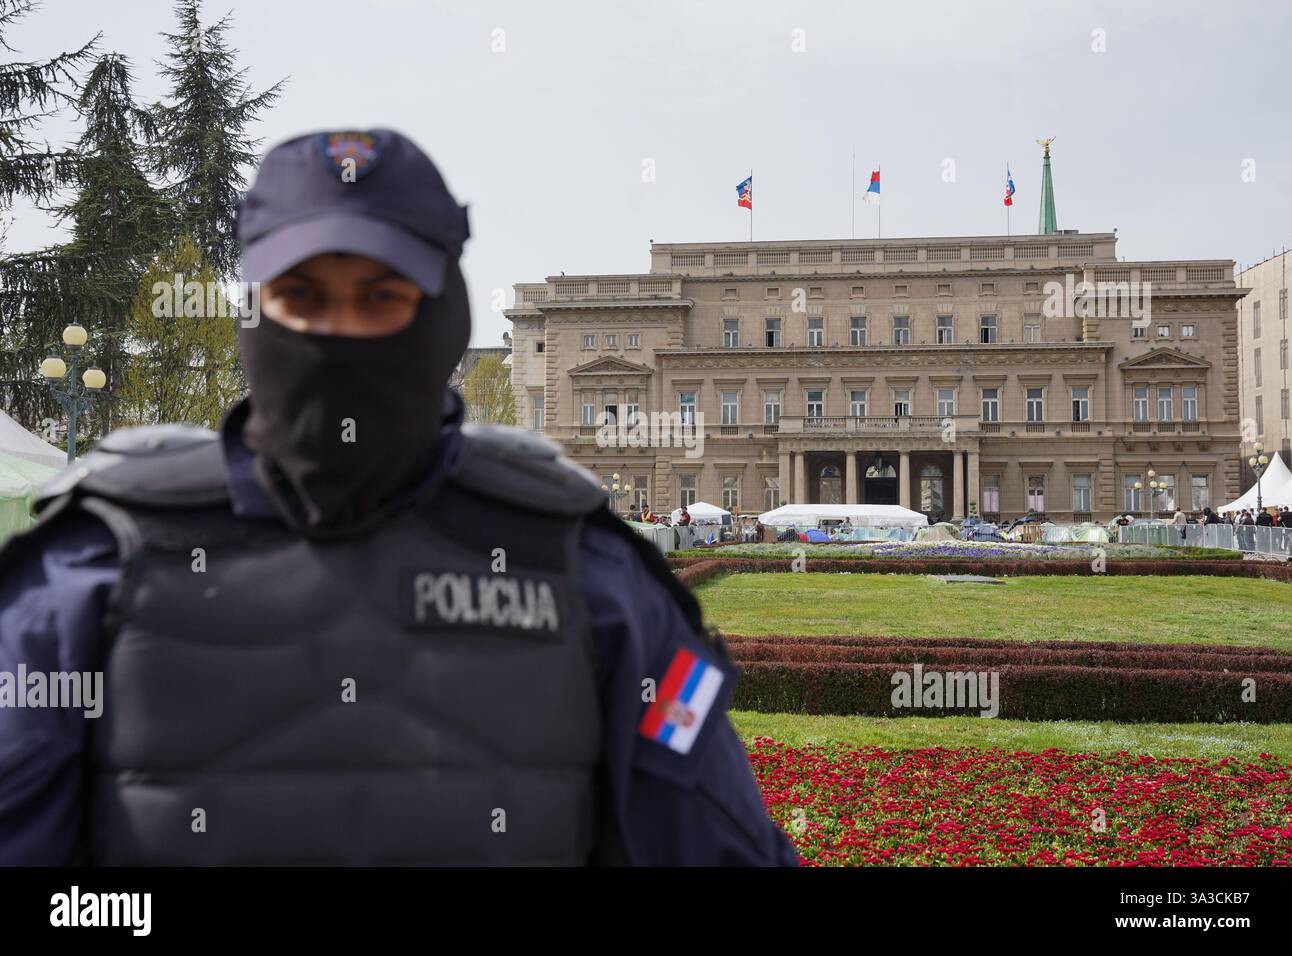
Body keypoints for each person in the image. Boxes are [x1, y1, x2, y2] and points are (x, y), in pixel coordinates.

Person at [0, 129, 796, 867]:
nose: (337, 330)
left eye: (380, 297)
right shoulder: (89, 571)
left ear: (443, 314)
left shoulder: (596, 581)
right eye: (302, 296)